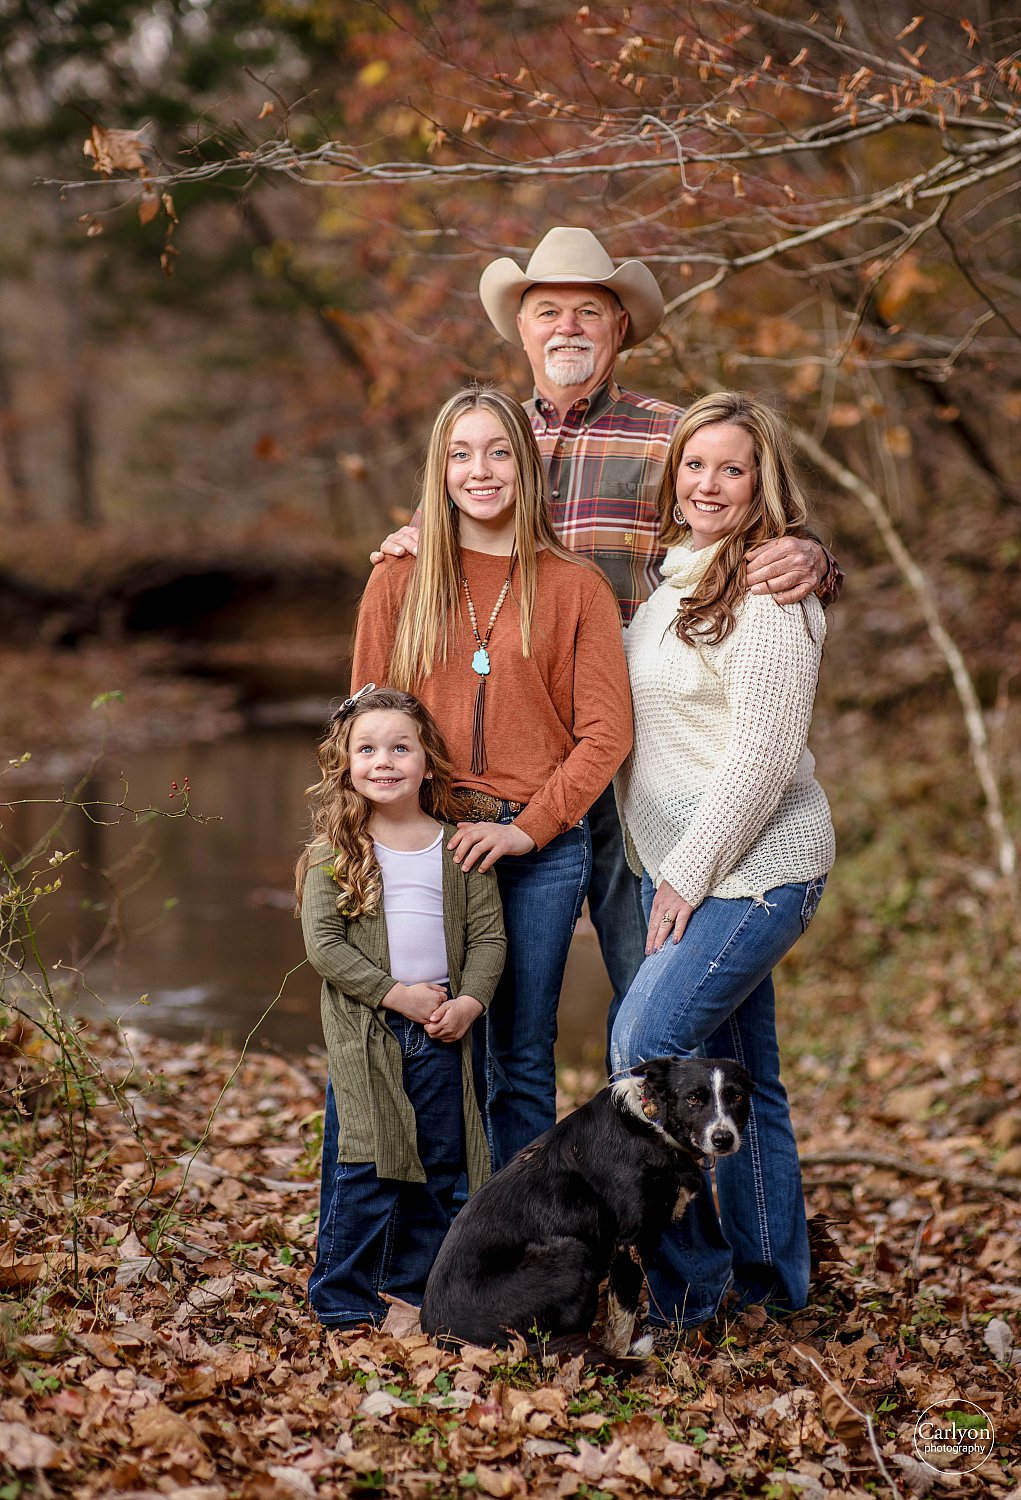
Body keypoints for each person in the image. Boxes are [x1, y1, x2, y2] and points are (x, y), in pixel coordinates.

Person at [370, 227, 842, 1037]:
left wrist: (813, 555)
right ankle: (524, 1169)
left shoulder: (672, 439)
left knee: (658, 1003)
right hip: (508, 777)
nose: (568, 327)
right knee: (503, 1016)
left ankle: (664, 1163)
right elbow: (424, 574)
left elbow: (752, 519)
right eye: (547, 310)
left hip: (638, 767)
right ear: (520, 327)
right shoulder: (482, 446)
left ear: (620, 327)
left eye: (589, 311)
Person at [351, 386, 632, 1168]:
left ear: (527, 466)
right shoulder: (398, 580)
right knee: (431, 1046)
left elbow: (606, 734)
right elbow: (365, 725)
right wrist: (370, 843)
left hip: (537, 849)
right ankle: (434, 1254)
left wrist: (526, 829)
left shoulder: (576, 586)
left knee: (520, 1060)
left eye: (500, 451)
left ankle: (521, 1250)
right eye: (462, 453)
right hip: (423, 844)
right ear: (440, 469)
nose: (482, 470)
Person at [609, 391, 836, 1330]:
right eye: (695, 465)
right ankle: (771, 1290)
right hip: (707, 866)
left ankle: (691, 1291)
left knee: (643, 1055)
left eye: (732, 469)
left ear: (761, 482)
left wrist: (682, 877)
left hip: (754, 869)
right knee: (746, 1085)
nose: (709, 483)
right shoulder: (676, 578)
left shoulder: (767, 591)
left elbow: (763, 755)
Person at [295, 684, 506, 1329]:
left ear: (428, 760)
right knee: (366, 1166)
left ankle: (411, 1294)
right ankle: (341, 1300)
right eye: (367, 749)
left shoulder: (458, 848)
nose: (383, 761)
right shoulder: (337, 852)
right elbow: (323, 946)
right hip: (370, 1033)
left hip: (443, 1033)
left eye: (399, 747)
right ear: (345, 762)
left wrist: (468, 1003)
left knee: (439, 1169)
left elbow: (490, 936)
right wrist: (397, 996)